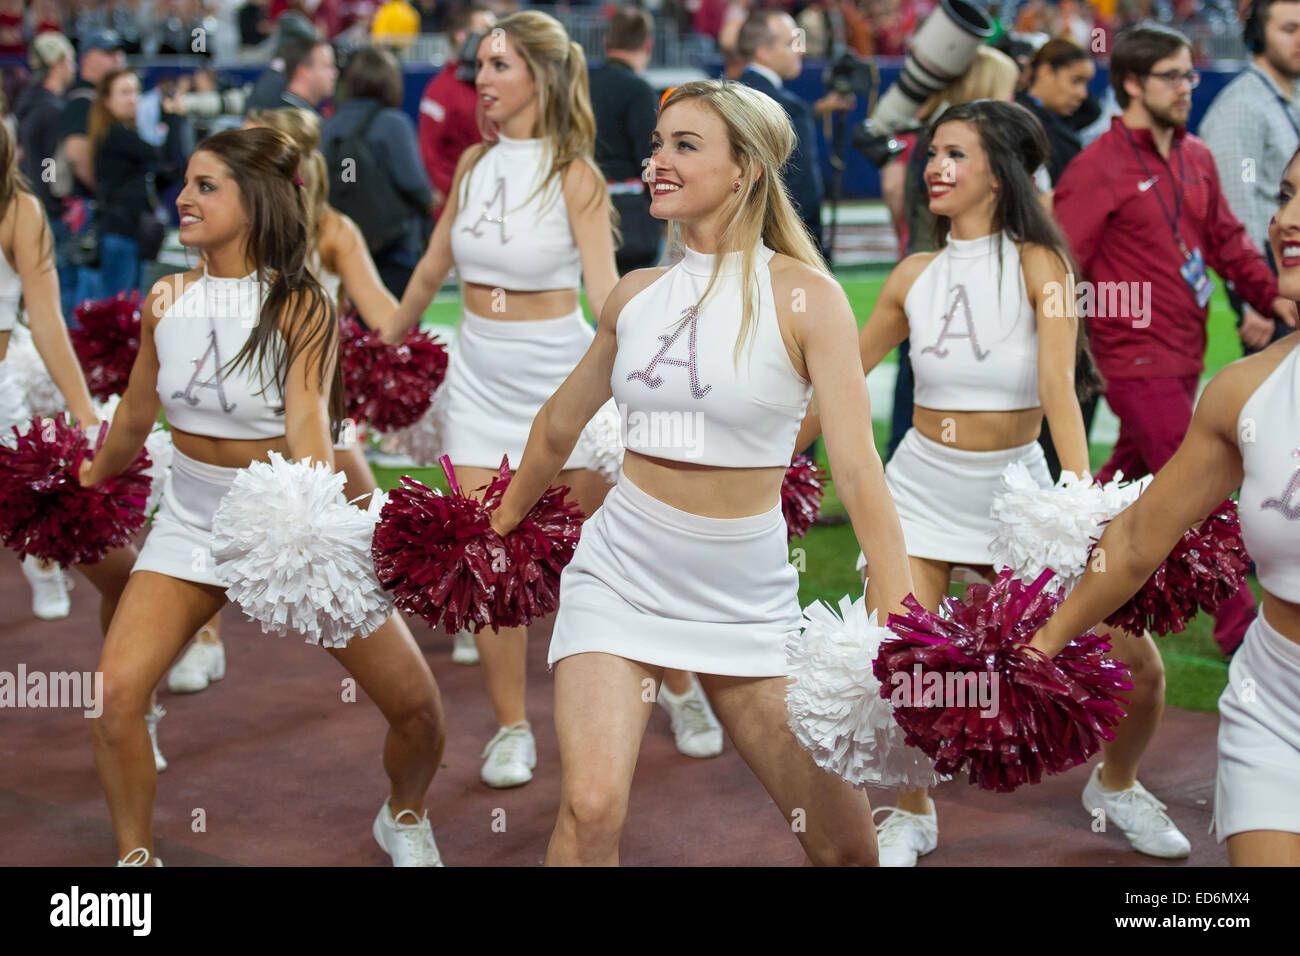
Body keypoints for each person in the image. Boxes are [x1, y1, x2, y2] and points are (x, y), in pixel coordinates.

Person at [487, 78, 913, 865]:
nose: (657, 163)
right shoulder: (635, 294)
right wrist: (498, 526)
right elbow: (558, 422)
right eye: (656, 146)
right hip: (619, 572)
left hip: (744, 597)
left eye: (685, 146)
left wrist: (898, 602)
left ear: (747, 167)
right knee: (588, 807)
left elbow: (856, 465)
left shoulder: (807, 297)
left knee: (847, 847)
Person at [801, 98, 1190, 867]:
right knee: (898, 661)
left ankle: (1116, 786)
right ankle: (911, 810)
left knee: (1137, 663)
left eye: (956, 155)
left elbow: (1059, 389)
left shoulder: (1041, 266)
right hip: (917, 488)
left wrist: (1077, 502)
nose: (935, 168)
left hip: (1016, 495)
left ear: (998, 174)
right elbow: (844, 379)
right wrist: (777, 456)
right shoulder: (912, 273)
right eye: (933, 153)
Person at [79, 127, 447, 867]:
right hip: (188, 519)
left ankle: (403, 813)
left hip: (285, 511)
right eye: (185, 183)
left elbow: (310, 422)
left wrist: (315, 525)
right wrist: (81, 480)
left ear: (254, 203)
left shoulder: (299, 304)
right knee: (115, 695)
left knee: (419, 711)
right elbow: (135, 416)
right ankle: (134, 862)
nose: (183, 198)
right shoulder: (165, 299)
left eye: (206, 186)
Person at [1031, 148, 1300, 867]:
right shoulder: (1244, 391)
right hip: (1275, 704)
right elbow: (1136, 541)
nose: (1287, 221)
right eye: (1286, 195)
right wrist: (1041, 646)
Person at [382, 11, 620, 790]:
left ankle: (679, 688)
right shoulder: (477, 164)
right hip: (480, 378)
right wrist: (385, 342)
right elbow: (429, 268)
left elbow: (606, 291)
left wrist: (642, 367)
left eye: (497, 65)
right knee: (483, 554)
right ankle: (513, 727)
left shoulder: (575, 173)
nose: (480, 78)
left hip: (557, 376)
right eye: (481, 64)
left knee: (598, 557)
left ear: (542, 77)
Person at [1054, 22, 1300, 657]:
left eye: (1190, 74)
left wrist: (1269, 293)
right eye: (1172, 76)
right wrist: (1062, 352)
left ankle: (1051, 569)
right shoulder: (1096, 167)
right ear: (1132, 82)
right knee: (1196, 494)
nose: (1188, 87)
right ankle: (1239, 629)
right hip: (1131, 355)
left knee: (1118, 488)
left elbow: (1226, 240)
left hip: (1187, 348)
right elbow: (1060, 268)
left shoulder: (1197, 158)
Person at [0, 117, 164, 768]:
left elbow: (45, 321)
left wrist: (84, 418)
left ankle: (133, 714)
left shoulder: (18, 209)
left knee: (121, 576)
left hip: (4, 417)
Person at [1199, 0, 1300, 355]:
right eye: (1289, 30)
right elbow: (1235, 205)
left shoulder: (1285, 100)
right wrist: (1251, 299)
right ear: (1258, 35)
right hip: (1269, 281)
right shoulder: (1243, 106)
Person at [736, 8, 855, 259]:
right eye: (791, 43)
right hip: (783, 244)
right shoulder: (789, 109)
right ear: (763, 51)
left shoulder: (727, 98)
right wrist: (813, 250)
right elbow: (804, 194)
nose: (800, 50)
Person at [320, 45, 433, 298]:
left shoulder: (329, 126)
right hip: (395, 249)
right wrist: (431, 200)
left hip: (342, 246)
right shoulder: (393, 124)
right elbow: (414, 183)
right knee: (397, 330)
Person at [89, 68, 192, 296]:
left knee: (129, 305)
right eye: (124, 93)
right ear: (107, 100)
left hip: (131, 232)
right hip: (120, 231)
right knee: (118, 307)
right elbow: (163, 158)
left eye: (135, 91)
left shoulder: (126, 133)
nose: (132, 99)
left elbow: (170, 170)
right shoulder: (115, 134)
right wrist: (172, 117)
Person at [56, 28, 126, 311]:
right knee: (84, 294)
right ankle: (77, 353)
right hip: (85, 210)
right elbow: (77, 154)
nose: (117, 59)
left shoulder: (95, 101)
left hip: (90, 208)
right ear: (89, 59)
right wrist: (104, 192)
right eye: (108, 54)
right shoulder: (83, 101)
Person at [590, 7, 664, 275]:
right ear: (648, 45)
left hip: (584, 207)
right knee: (632, 303)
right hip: (630, 219)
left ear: (606, 42)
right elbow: (650, 157)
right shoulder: (639, 90)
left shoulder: (582, 85)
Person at [16, 32, 79, 320]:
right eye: (70, 60)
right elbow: (51, 165)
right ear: (57, 64)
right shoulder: (53, 110)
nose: (73, 66)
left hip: (29, 205)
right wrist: (59, 197)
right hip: (50, 213)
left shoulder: (27, 104)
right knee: (60, 287)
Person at [417, 3, 495, 219]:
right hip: (459, 213)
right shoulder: (441, 90)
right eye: (486, 30)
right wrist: (454, 198)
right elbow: (429, 155)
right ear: (462, 36)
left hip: (493, 206)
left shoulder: (492, 85)